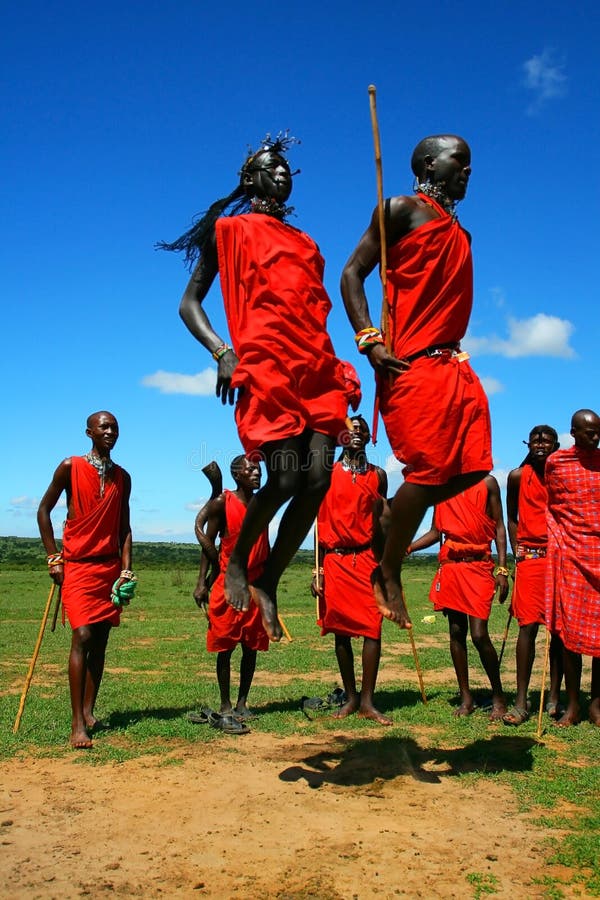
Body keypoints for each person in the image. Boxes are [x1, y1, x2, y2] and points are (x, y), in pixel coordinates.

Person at [160, 134, 359, 642]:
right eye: (272, 166)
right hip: (268, 367)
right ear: (249, 178)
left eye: (288, 167)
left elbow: (314, 312)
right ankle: (238, 568)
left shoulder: (307, 243)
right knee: (287, 479)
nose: (283, 173)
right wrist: (223, 352)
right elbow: (190, 304)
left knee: (317, 480)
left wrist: (340, 366)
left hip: (314, 367)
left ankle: (269, 579)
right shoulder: (228, 232)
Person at [340, 135, 492, 630]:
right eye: (460, 161)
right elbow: (351, 275)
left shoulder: (459, 231)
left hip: (456, 365)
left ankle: (389, 520)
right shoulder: (400, 209)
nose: (468, 169)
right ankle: (386, 569)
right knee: (428, 471)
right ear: (430, 163)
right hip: (412, 364)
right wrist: (370, 339)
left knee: (473, 470)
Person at [37, 411, 134, 749]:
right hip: (77, 565)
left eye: (115, 427)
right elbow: (43, 511)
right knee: (82, 635)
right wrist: (54, 557)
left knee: (101, 641)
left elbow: (124, 529)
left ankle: (90, 711)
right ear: (89, 432)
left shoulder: (123, 477)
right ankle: (77, 723)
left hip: (108, 569)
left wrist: (126, 569)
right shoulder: (70, 467)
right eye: (104, 427)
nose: (110, 432)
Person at [408, 476, 508, 719]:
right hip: (452, 567)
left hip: (479, 567)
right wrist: (408, 547)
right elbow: (435, 532)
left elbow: (499, 528)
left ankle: (498, 696)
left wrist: (503, 570)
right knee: (455, 631)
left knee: (479, 634)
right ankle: (466, 698)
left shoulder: (488, 483)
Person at [312, 415, 391, 725]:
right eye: (349, 431)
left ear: (369, 437)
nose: (355, 435)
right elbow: (317, 523)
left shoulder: (379, 476)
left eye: (360, 431)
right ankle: (351, 696)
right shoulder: (327, 473)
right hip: (336, 559)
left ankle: (368, 701)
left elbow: (383, 524)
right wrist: (317, 568)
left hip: (368, 560)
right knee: (341, 632)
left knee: (374, 629)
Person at [191, 455, 269, 731]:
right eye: (250, 469)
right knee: (225, 645)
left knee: (251, 646)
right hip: (228, 583)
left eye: (258, 469)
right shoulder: (224, 502)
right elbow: (208, 542)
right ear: (237, 475)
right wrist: (202, 582)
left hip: (256, 583)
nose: (257, 473)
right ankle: (224, 705)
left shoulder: (263, 503)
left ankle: (242, 703)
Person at [503, 426, 563, 726]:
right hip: (530, 559)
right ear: (529, 443)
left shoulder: (564, 475)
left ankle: (553, 697)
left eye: (547, 439)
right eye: (536, 439)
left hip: (560, 560)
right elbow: (511, 515)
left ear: (557, 445)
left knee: (558, 632)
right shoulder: (517, 476)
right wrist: (517, 549)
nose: (541, 443)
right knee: (526, 627)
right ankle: (520, 700)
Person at [545, 409, 600, 727]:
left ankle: (596, 705)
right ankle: (573, 705)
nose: (595, 437)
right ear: (574, 432)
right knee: (570, 637)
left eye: (598, 432)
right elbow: (553, 506)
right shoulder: (558, 463)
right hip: (572, 557)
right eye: (589, 432)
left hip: (598, 553)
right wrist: (558, 541)